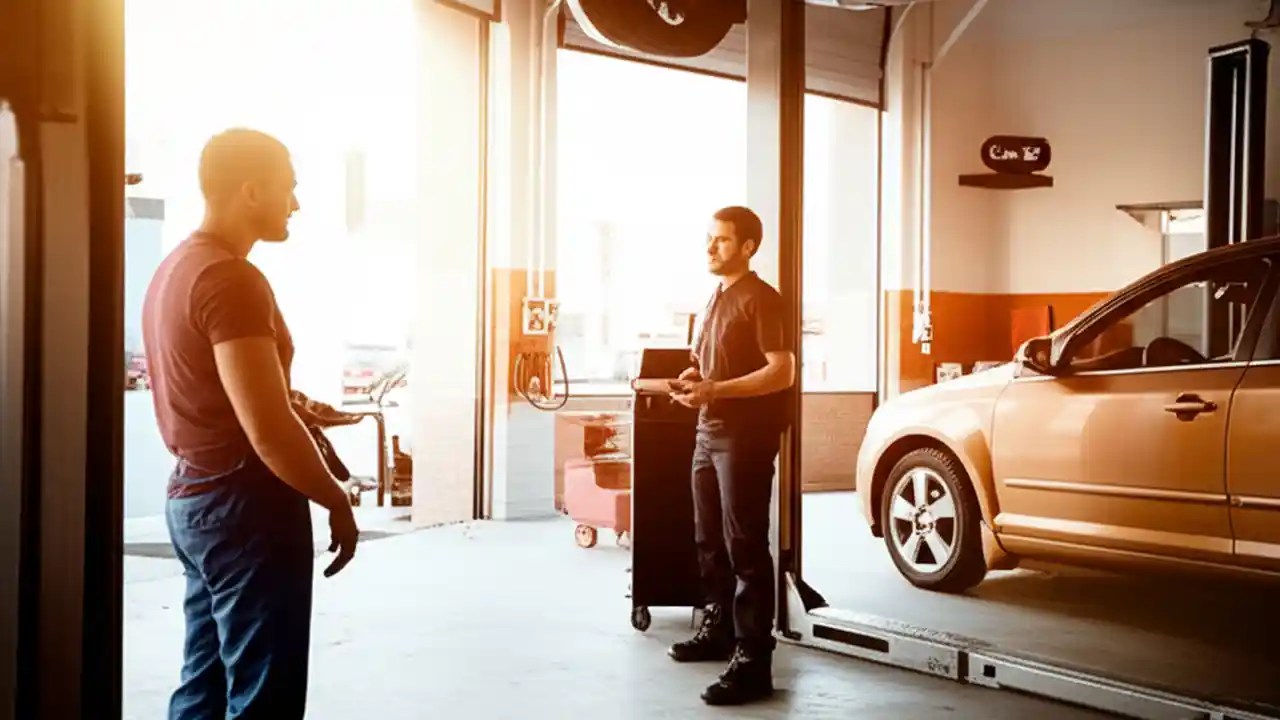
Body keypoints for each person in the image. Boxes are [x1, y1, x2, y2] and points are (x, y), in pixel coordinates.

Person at [141, 128, 360, 720]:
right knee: (265, 693)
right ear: (251, 190)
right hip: (245, 508)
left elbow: (226, 395)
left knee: (205, 682)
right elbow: (267, 430)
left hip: (194, 496)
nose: (296, 203)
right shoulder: (231, 279)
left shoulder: (175, 269)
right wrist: (334, 498)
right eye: (288, 187)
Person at [667, 206, 796, 706]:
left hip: (744, 436)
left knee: (745, 547)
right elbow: (710, 362)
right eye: (709, 239)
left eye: (721, 241)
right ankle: (718, 631)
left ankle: (753, 662)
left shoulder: (763, 299)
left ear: (747, 247)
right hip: (708, 430)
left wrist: (717, 388)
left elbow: (781, 371)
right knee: (708, 540)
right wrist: (696, 381)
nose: (710, 248)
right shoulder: (716, 297)